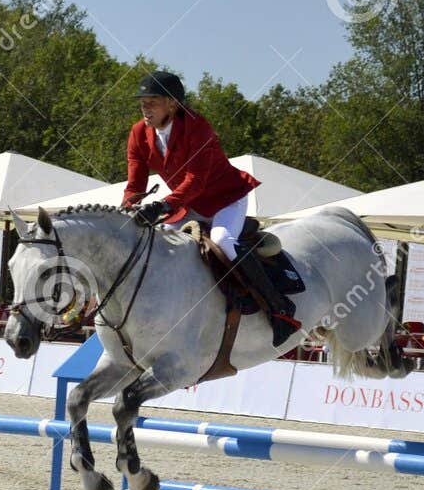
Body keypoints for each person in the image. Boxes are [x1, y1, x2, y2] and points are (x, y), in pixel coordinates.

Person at [121, 70, 297, 345]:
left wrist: (164, 205)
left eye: (152, 102)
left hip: (225, 198)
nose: (145, 108)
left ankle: (279, 308)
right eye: (142, 102)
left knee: (222, 240)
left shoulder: (197, 127)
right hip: (187, 204)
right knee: (157, 244)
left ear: (172, 103)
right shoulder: (138, 133)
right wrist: (125, 211)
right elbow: (135, 184)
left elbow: (195, 180)